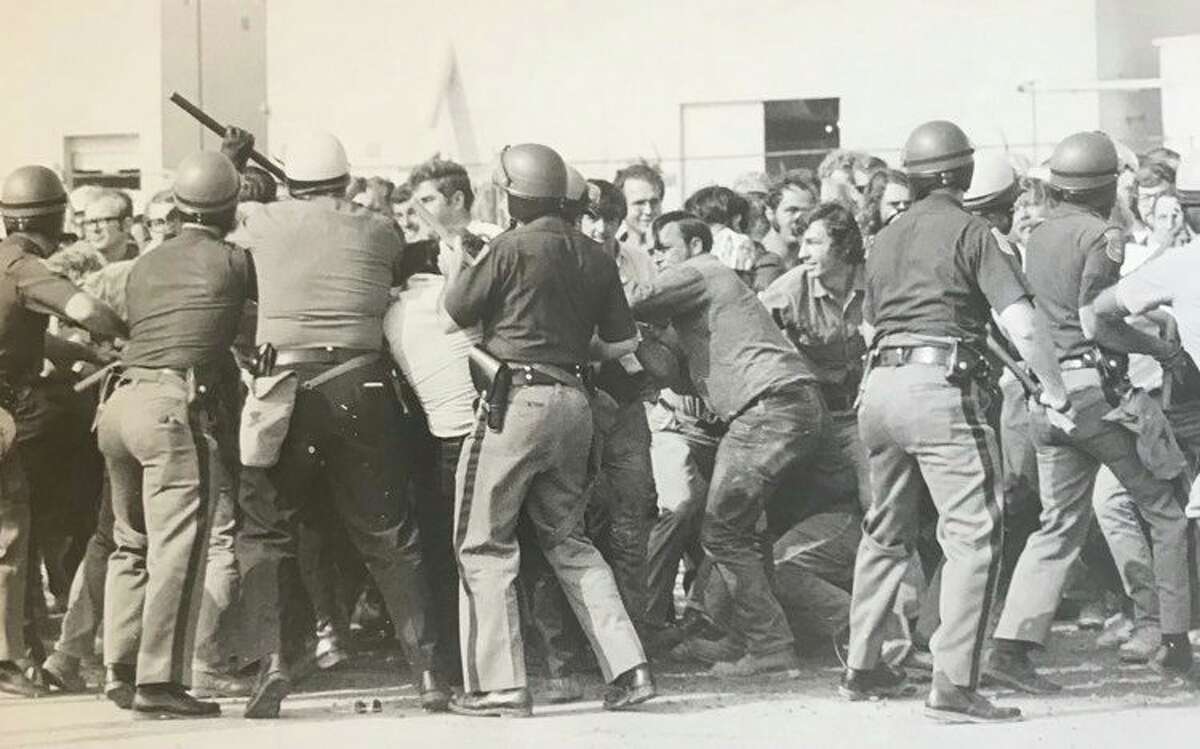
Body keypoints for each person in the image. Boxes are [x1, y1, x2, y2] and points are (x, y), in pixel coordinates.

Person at [842, 120, 1073, 723]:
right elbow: (1022, 324)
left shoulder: (886, 238)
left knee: (884, 531)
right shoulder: (973, 232)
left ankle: (862, 666)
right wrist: (1054, 388)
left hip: (879, 389)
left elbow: (871, 323)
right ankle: (954, 685)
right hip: (939, 386)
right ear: (962, 174)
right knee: (975, 533)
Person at [225, 127, 448, 717]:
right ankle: (428, 670)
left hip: (285, 387)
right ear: (346, 180)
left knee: (267, 528)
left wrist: (230, 158)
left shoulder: (262, 220)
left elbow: (222, 210)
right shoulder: (378, 227)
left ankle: (273, 662)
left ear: (289, 182)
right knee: (387, 532)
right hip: (363, 382)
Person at [445, 143, 654, 717]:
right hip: (574, 400)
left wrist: (463, 258)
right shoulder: (593, 254)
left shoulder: (507, 247)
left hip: (513, 402)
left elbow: (455, 311)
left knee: (483, 543)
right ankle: (629, 667)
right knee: (571, 541)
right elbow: (621, 340)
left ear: (514, 193)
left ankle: (500, 685)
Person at [988, 131, 1195, 692]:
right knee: (1164, 506)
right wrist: (1161, 348)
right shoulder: (1103, 235)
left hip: (1048, 401)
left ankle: (1011, 645)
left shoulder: (1040, 232)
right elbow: (1094, 321)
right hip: (1094, 395)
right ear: (1106, 186)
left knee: (1058, 524)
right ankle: (1175, 640)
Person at [628, 210, 838, 677]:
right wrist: (641, 339)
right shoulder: (700, 304)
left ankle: (769, 645)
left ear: (696, 246)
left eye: (665, 247)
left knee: (723, 529)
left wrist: (603, 291)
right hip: (785, 407)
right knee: (744, 529)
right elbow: (675, 378)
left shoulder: (706, 270)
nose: (659, 257)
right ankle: (748, 637)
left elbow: (636, 298)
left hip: (769, 408)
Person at [95, 151, 250, 718]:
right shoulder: (234, 262)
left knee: (129, 542)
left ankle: (120, 665)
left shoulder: (146, 263)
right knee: (180, 548)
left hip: (118, 405)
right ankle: (159, 682)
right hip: (171, 407)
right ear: (230, 207)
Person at [0, 165, 126, 697]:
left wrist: (73, 349)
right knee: (9, 534)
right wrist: (125, 331)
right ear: (54, 217)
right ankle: (8, 665)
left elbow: (24, 334)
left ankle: (18, 650)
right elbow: (86, 309)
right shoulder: (27, 269)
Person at [762, 170, 819, 269]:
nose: (799, 217)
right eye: (792, 210)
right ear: (770, 213)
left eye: (807, 211)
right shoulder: (755, 261)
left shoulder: (814, 262)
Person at [614, 162, 664, 254]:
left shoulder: (676, 255)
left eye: (654, 202)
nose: (648, 211)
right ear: (621, 207)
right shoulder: (611, 257)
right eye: (639, 203)